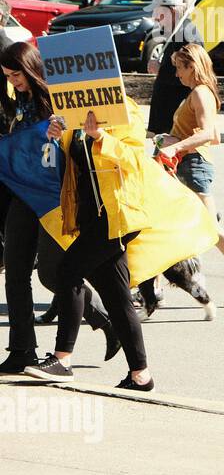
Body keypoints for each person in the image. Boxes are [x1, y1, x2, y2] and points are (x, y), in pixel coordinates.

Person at [0, 41, 120, 374]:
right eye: (7, 77)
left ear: (30, 68)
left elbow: (84, 137)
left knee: (54, 274)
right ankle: (22, 349)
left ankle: (104, 317)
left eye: (16, 75)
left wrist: (64, 129)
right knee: (16, 273)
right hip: (24, 195)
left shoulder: (58, 98)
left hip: (57, 199)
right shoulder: (18, 101)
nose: (13, 82)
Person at [25, 108, 154, 390]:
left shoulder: (124, 110)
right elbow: (73, 161)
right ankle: (140, 375)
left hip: (115, 217)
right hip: (90, 217)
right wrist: (57, 137)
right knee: (116, 296)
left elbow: (135, 160)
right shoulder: (73, 111)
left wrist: (101, 136)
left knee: (68, 272)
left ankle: (63, 359)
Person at [155, 44, 224, 309]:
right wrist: (170, 140)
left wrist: (174, 145)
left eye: (179, 68)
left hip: (193, 167)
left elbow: (207, 134)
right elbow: (213, 136)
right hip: (187, 164)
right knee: (166, 225)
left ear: (192, 66)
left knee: (211, 230)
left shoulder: (200, 93)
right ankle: (154, 287)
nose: (176, 74)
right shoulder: (197, 93)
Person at [145, 0, 204, 137]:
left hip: (175, 121)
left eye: (158, 12)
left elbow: (190, 72)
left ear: (172, 11)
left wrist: (160, 69)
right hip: (167, 121)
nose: (155, 18)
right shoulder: (176, 31)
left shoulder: (185, 33)